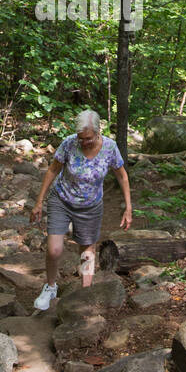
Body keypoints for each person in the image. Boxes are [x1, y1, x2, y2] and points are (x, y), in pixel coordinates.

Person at [30, 109, 132, 311]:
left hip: (90, 206)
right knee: (54, 249)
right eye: (81, 137)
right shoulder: (69, 143)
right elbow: (52, 170)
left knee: (87, 252)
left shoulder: (110, 147)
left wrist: (128, 207)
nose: (83, 142)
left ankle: (86, 294)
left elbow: (122, 176)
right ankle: (50, 287)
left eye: (88, 138)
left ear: (97, 132)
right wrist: (39, 201)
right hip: (62, 199)